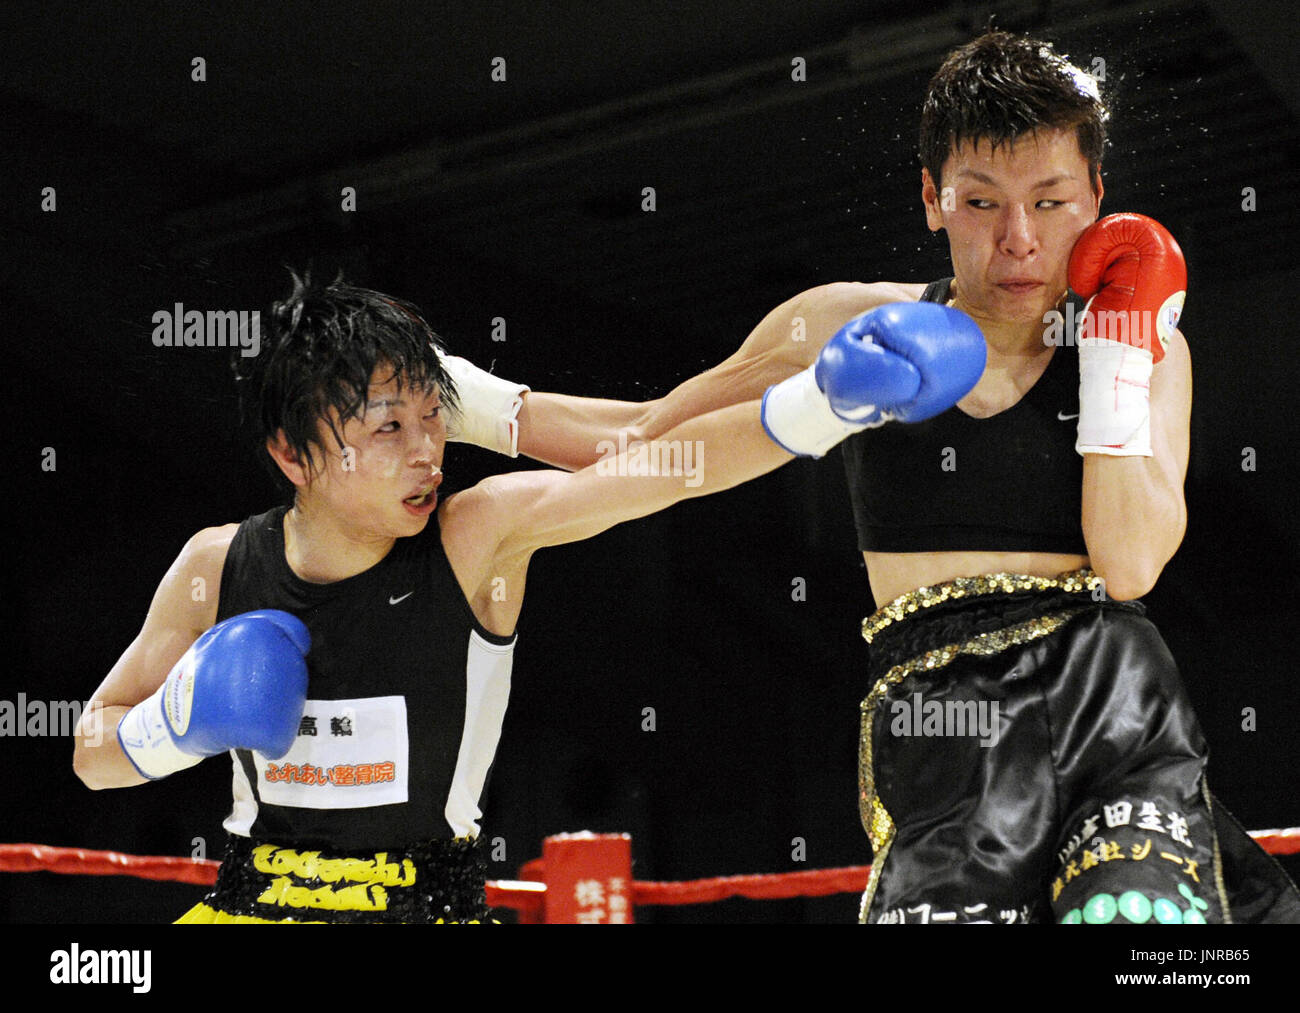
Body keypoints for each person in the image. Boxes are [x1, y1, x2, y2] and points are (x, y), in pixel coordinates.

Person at [454, 31, 1300, 923]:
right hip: (945, 720)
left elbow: (1128, 566)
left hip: (1112, 706)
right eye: (982, 202)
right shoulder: (848, 322)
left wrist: (1118, 356)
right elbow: (648, 437)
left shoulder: (1146, 343)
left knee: (1143, 937)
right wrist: (470, 405)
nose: (1019, 240)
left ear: (1096, 198)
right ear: (933, 198)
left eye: (1051, 202)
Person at [71, 271, 986, 923]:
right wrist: (169, 730)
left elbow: (666, 469)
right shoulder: (217, 566)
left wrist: (827, 409)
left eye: (435, 419)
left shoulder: (479, 536)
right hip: (247, 906)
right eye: (389, 428)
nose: (427, 451)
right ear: (292, 453)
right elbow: (91, 752)